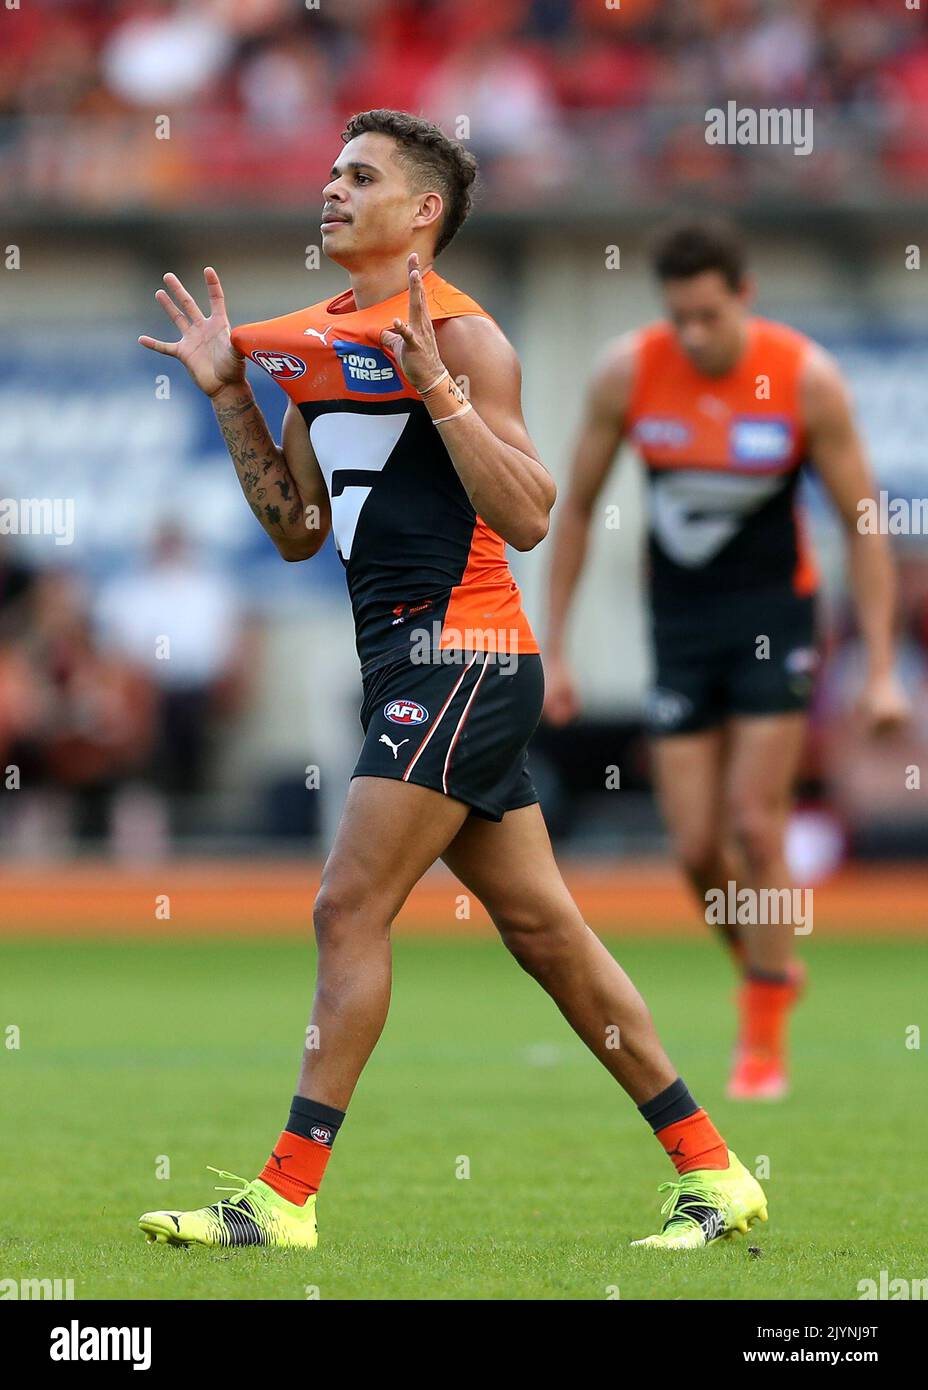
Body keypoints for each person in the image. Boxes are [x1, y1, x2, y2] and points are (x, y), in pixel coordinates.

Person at [136, 113, 766, 1252]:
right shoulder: (314, 346)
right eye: (330, 171)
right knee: (547, 934)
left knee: (346, 903)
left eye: (360, 176)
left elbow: (527, 513)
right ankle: (716, 1174)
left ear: (423, 211)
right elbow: (295, 527)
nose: (331, 189)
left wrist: (439, 390)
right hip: (408, 669)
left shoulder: (467, 339)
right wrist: (231, 391)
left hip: (464, 656)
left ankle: (283, 1197)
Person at [545, 218, 909, 1100]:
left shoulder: (804, 379)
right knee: (698, 846)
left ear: (743, 297)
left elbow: (865, 525)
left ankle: (763, 1034)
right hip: (680, 626)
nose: (696, 336)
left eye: (710, 316)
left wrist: (884, 666)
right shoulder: (630, 372)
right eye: (681, 319)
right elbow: (580, 507)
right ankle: (769, 963)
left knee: (756, 825)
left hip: (775, 619)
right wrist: (553, 648)